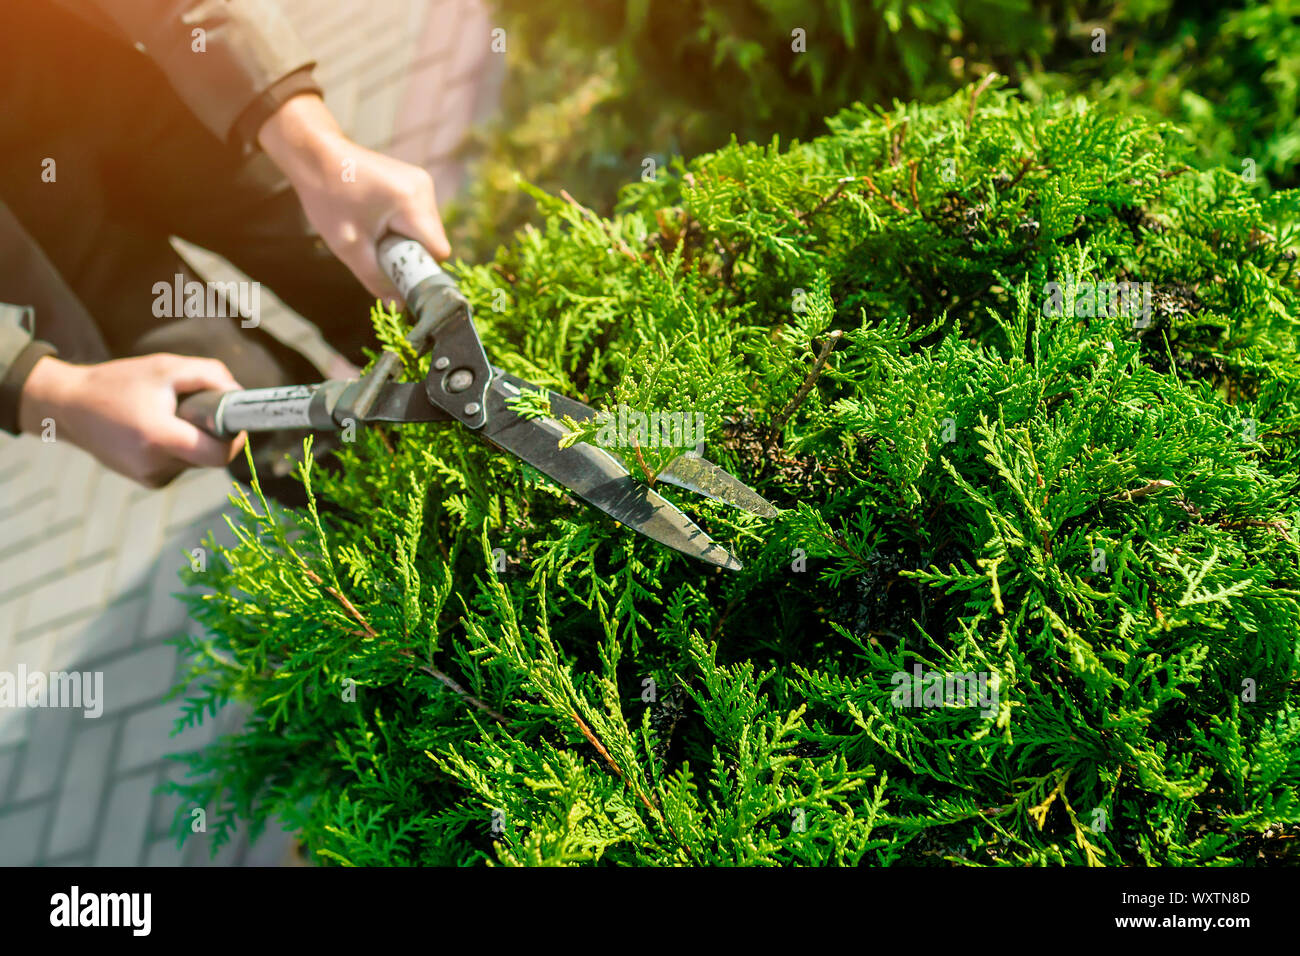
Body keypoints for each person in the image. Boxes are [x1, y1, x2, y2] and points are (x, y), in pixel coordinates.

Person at [0, 1, 453, 491]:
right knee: (267, 421)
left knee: (363, 267)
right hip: (27, 248)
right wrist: (46, 391)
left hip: (88, 69)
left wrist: (317, 152)